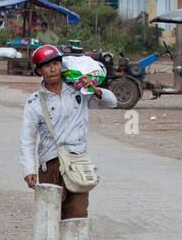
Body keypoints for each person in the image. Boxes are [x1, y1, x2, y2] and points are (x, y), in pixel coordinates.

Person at [20, 44, 117, 220]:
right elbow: (27, 139)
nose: (52, 69)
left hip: (77, 162)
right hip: (50, 164)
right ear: (39, 70)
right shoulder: (34, 102)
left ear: (61, 66)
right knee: (50, 218)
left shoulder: (78, 91)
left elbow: (111, 102)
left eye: (56, 63)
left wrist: (94, 89)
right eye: (46, 65)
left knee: (77, 216)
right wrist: (29, 169)